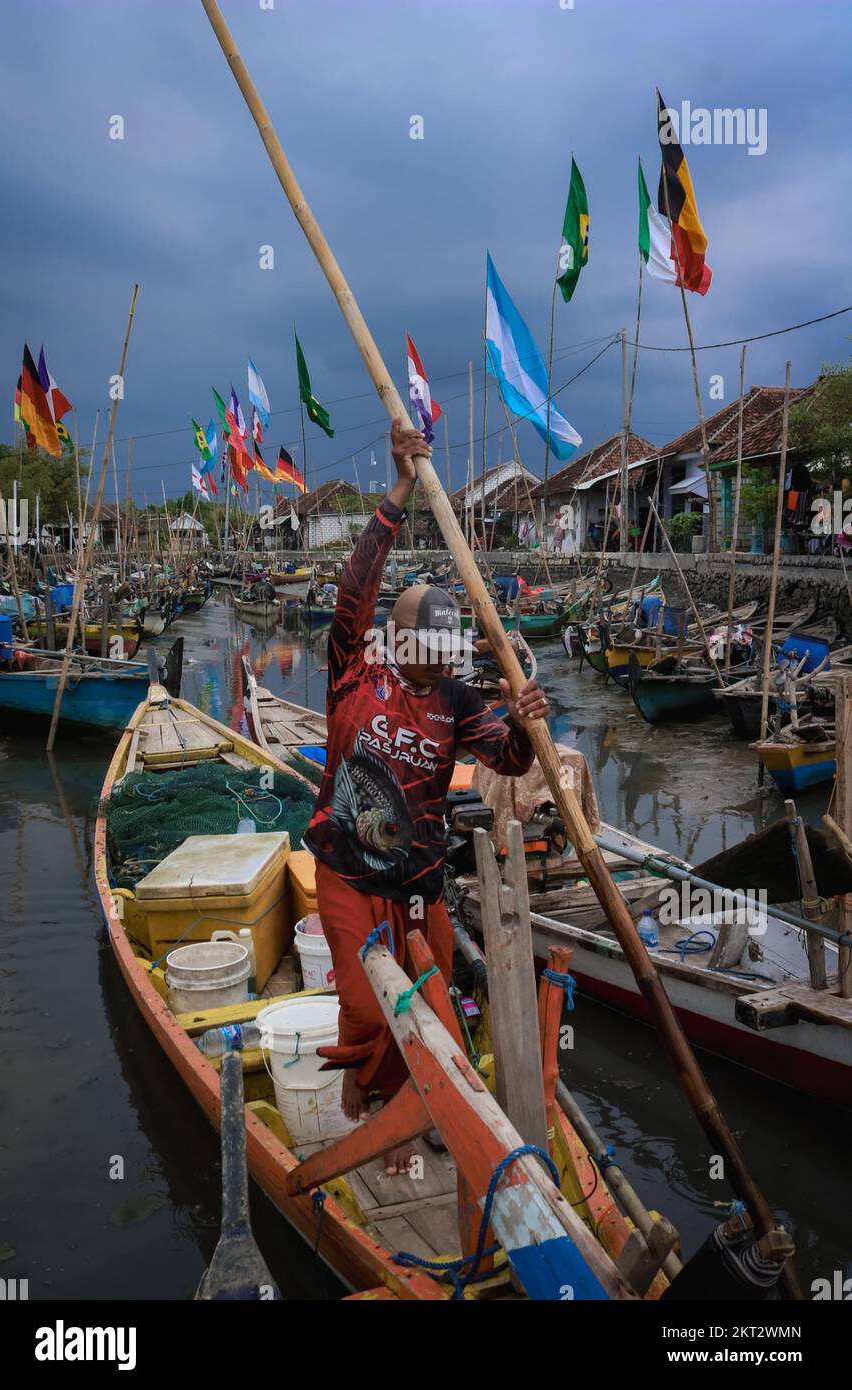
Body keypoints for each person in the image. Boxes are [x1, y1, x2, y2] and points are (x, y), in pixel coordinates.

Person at [304, 419, 549, 1173]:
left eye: (446, 658)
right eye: (428, 654)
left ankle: (433, 1101)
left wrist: (530, 721)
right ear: (398, 638)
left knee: (435, 998)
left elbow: (506, 760)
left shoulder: (456, 699)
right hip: (347, 867)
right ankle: (376, 1105)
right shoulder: (355, 666)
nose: (435, 667)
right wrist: (402, 487)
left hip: (416, 879)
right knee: (363, 1000)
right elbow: (356, 584)